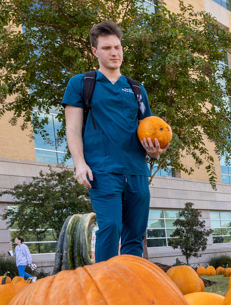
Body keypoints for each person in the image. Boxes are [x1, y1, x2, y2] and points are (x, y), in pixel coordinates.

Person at [62, 21, 168, 262]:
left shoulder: (137, 89)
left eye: (118, 47)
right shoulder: (82, 83)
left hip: (137, 171)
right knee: (110, 227)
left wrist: (155, 153)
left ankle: (128, 288)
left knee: (135, 236)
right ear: (94, 51)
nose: (114, 53)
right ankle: (104, 287)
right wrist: (79, 163)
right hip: (102, 171)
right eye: (107, 48)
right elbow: (73, 128)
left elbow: (149, 131)